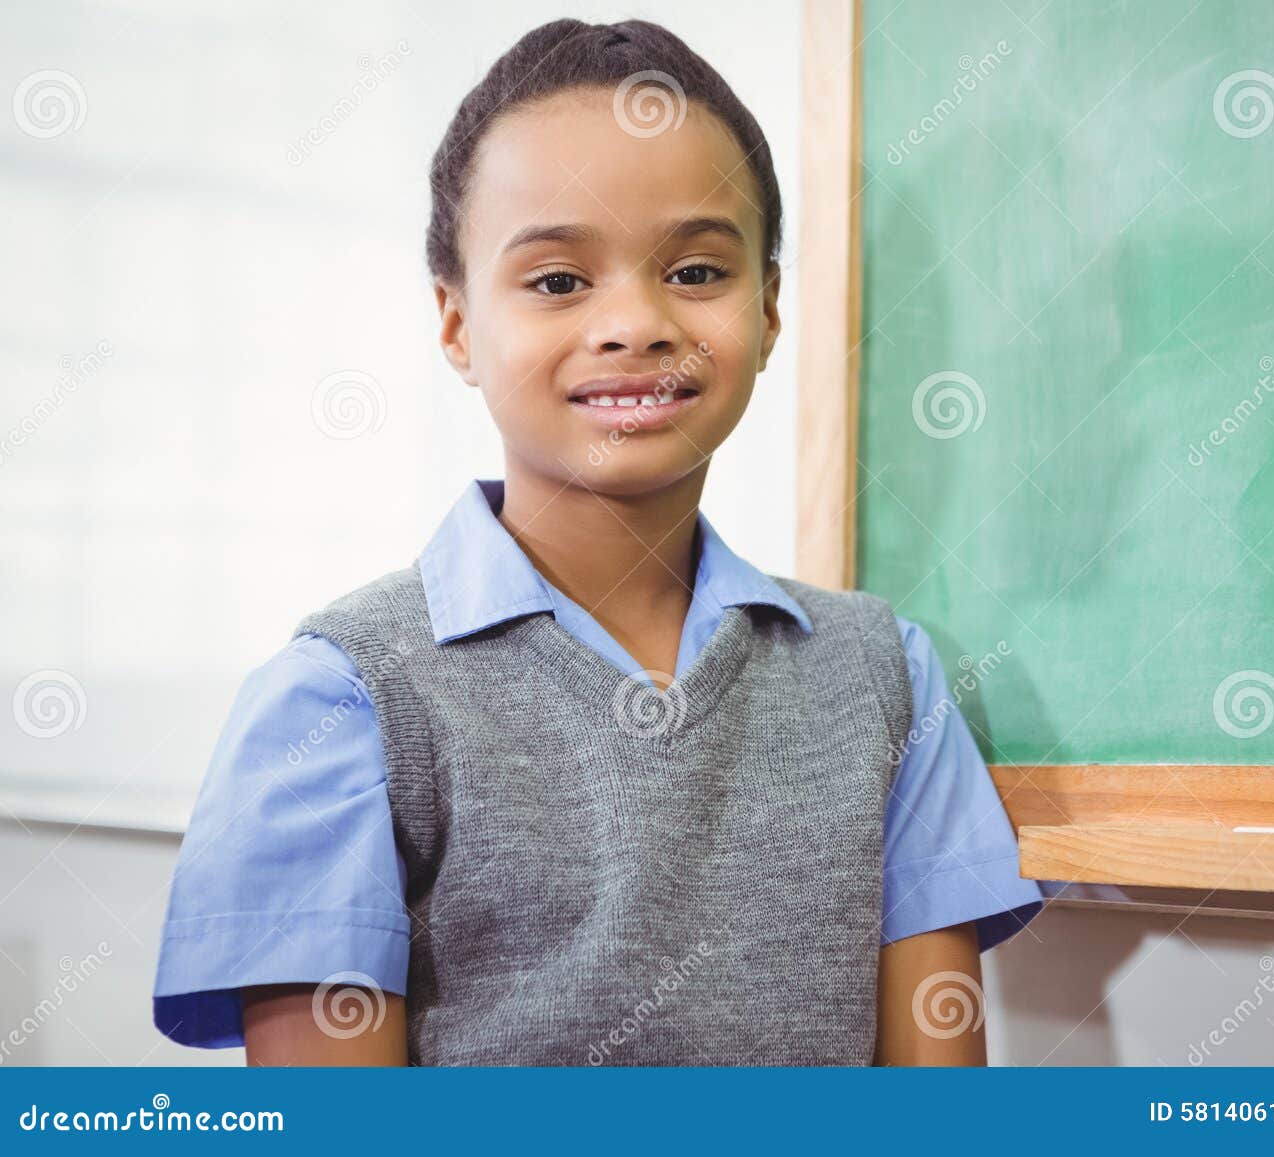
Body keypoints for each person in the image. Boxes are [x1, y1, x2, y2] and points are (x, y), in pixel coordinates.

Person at [152, 17, 1043, 1066]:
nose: (634, 322)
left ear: (768, 307)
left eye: (698, 271)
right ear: (455, 325)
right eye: (559, 281)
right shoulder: (341, 699)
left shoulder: (883, 676)